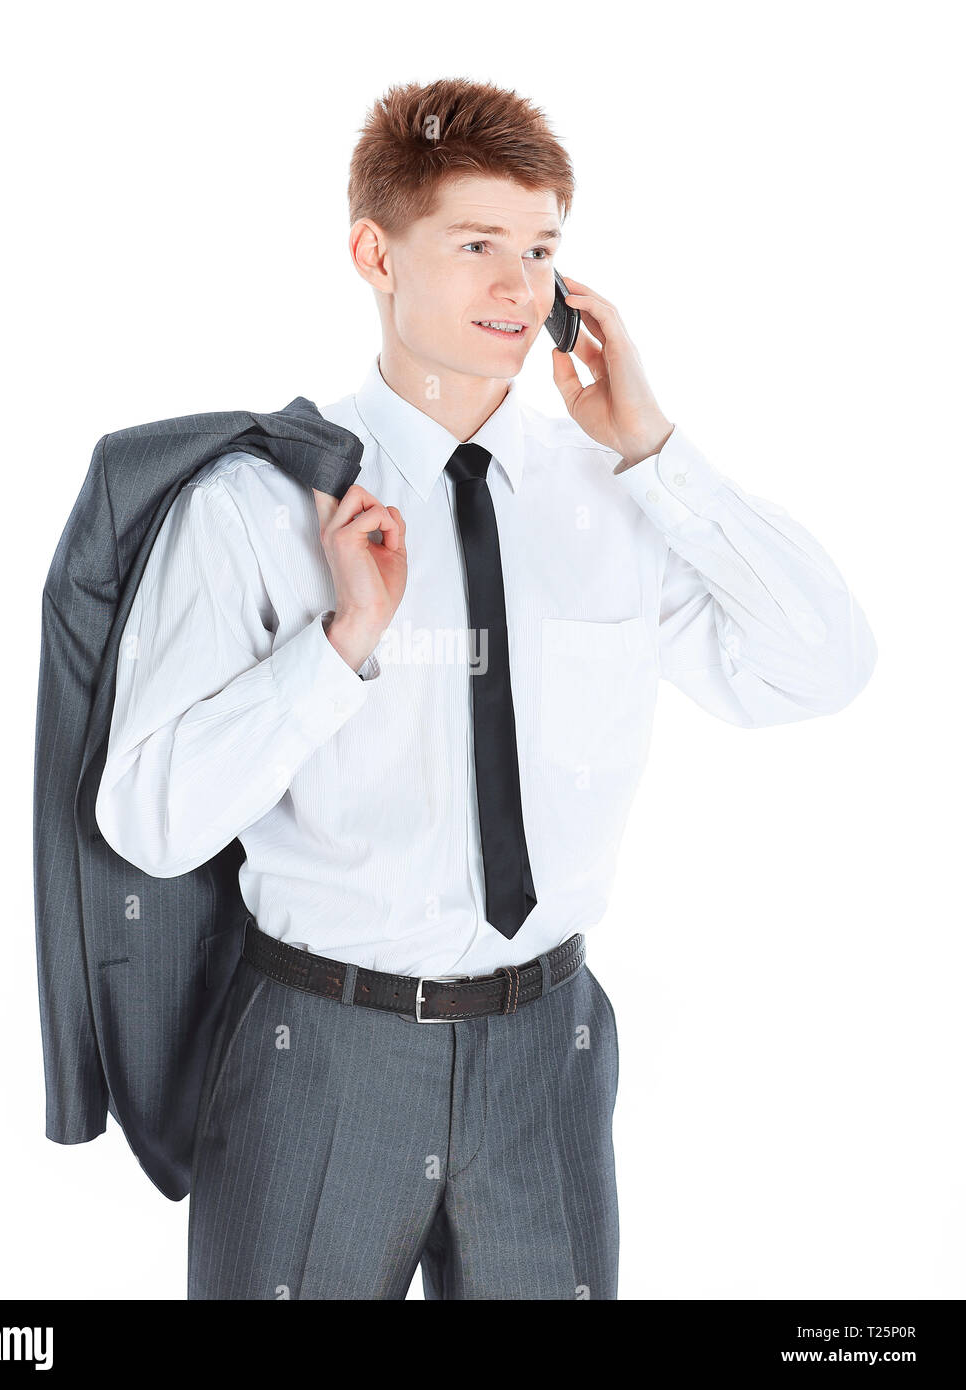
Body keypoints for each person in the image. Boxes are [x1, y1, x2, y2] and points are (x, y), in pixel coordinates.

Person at [94, 76, 877, 1300]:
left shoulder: (613, 494)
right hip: (322, 1057)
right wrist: (338, 647)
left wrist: (658, 449)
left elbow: (820, 667)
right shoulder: (254, 508)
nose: (519, 288)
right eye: (475, 246)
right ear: (375, 252)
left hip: (544, 1061)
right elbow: (146, 817)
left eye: (541, 248)